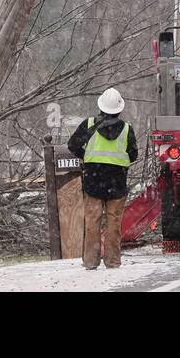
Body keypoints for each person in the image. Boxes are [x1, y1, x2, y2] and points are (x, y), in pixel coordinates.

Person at [67, 87, 138, 270]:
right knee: (113, 225)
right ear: (119, 109)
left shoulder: (89, 124)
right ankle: (113, 261)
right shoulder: (127, 129)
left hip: (93, 182)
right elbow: (133, 155)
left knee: (92, 223)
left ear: (100, 107)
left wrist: (87, 157)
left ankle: (91, 261)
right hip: (117, 184)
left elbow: (72, 145)